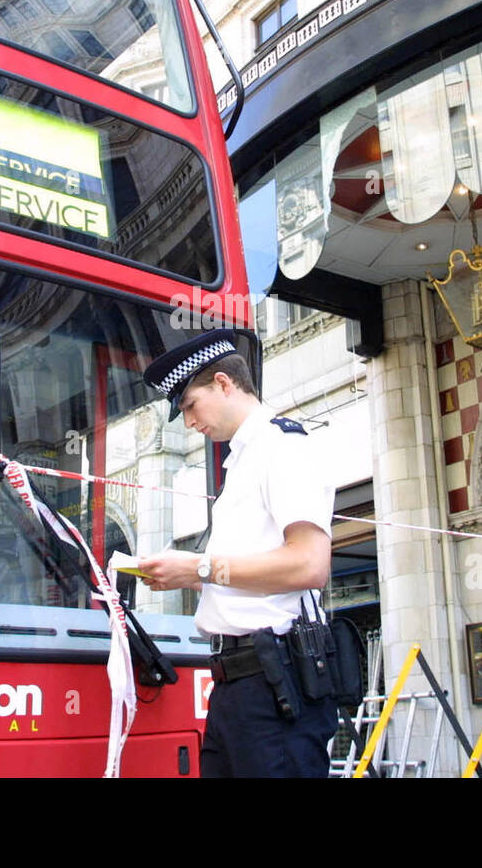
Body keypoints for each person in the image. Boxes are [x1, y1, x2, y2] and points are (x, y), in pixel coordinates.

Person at [138, 330, 338, 777]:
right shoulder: (245, 459)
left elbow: (309, 564)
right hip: (242, 683)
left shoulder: (282, 446)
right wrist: (188, 575)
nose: (190, 423)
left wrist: (200, 567)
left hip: (275, 681)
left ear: (224, 383)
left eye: (190, 405)